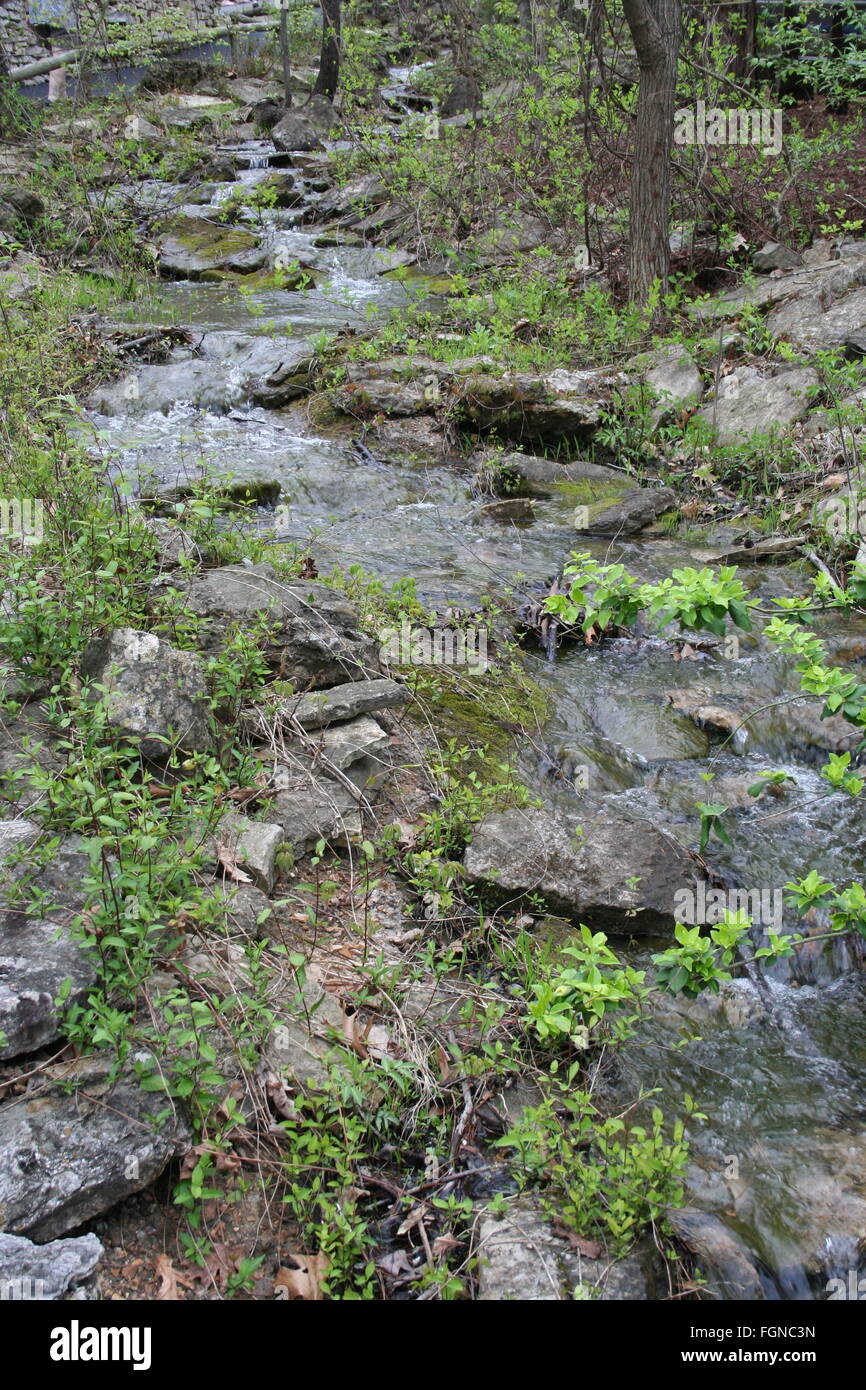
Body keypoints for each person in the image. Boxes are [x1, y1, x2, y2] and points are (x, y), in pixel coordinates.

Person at [28, 1, 77, 102]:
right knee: (59, 53)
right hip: (61, 11)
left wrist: (28, 12)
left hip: (38, 10)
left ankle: (62, 97)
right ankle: (53, 98)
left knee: (53, 52)